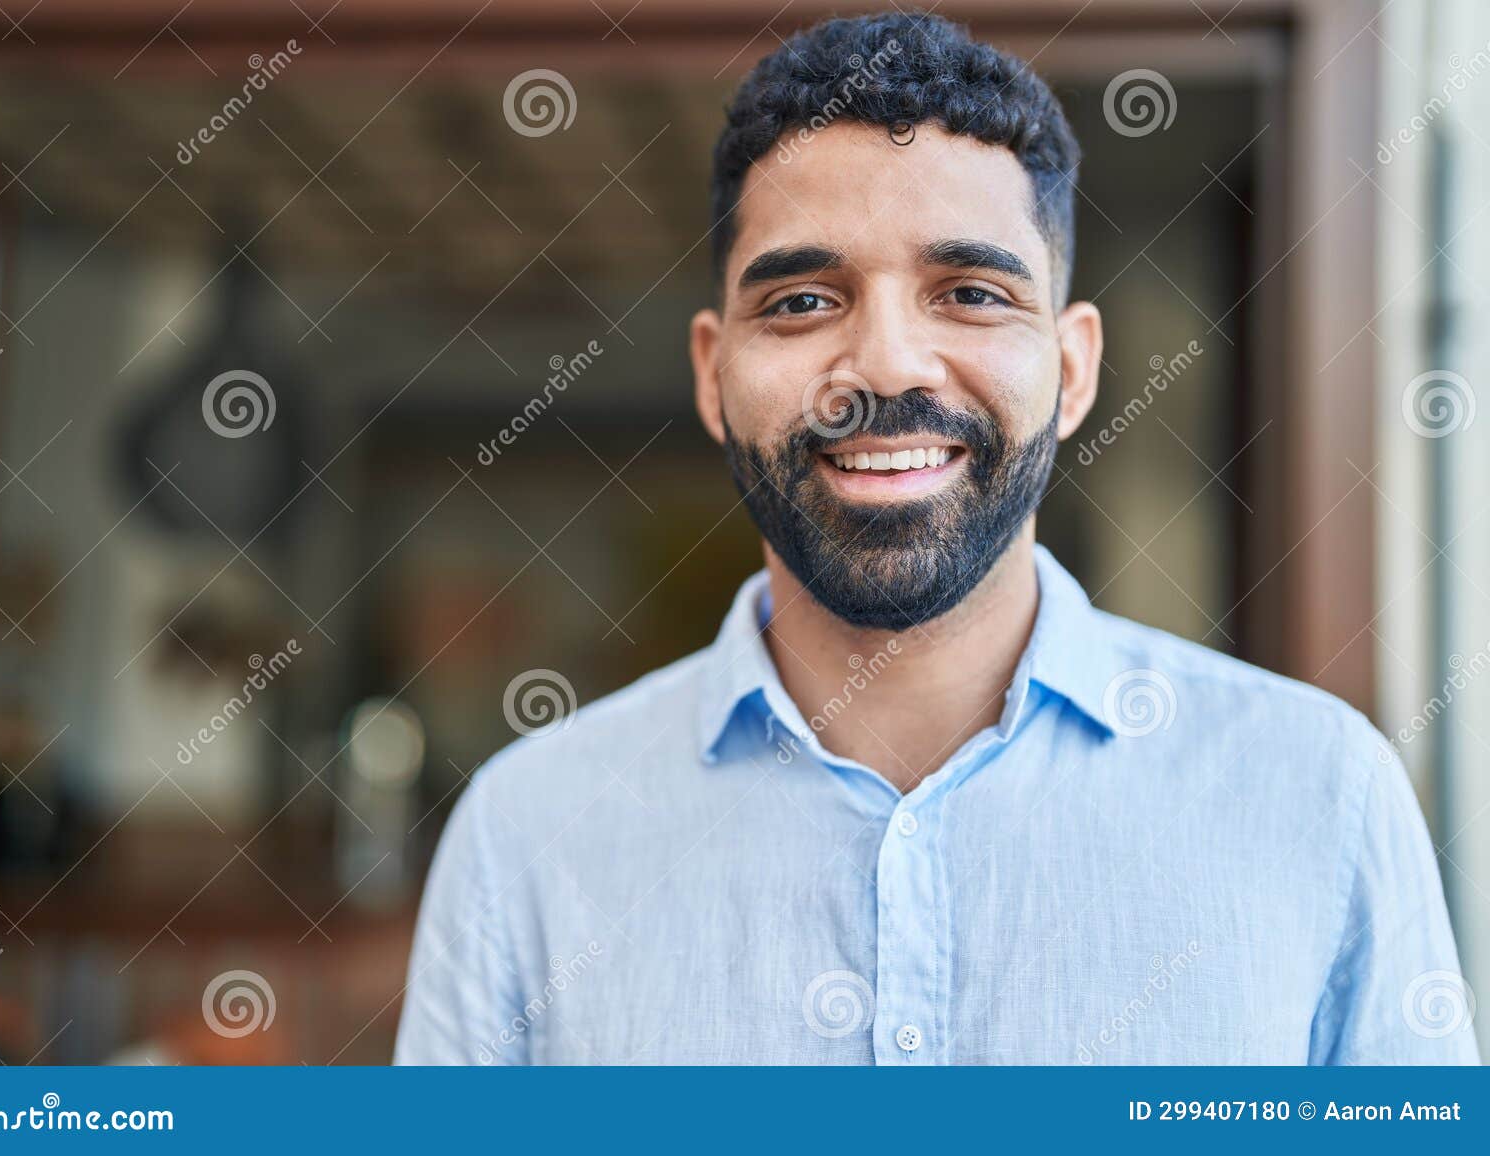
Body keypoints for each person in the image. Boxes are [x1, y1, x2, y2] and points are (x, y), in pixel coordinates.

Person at [395, 12, 1478, 1065]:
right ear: (711, 373)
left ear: (1075, 367)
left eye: (968, 292)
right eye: (804, 299)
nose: (889, 365)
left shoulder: (1317, 793)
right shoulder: (528, 835)